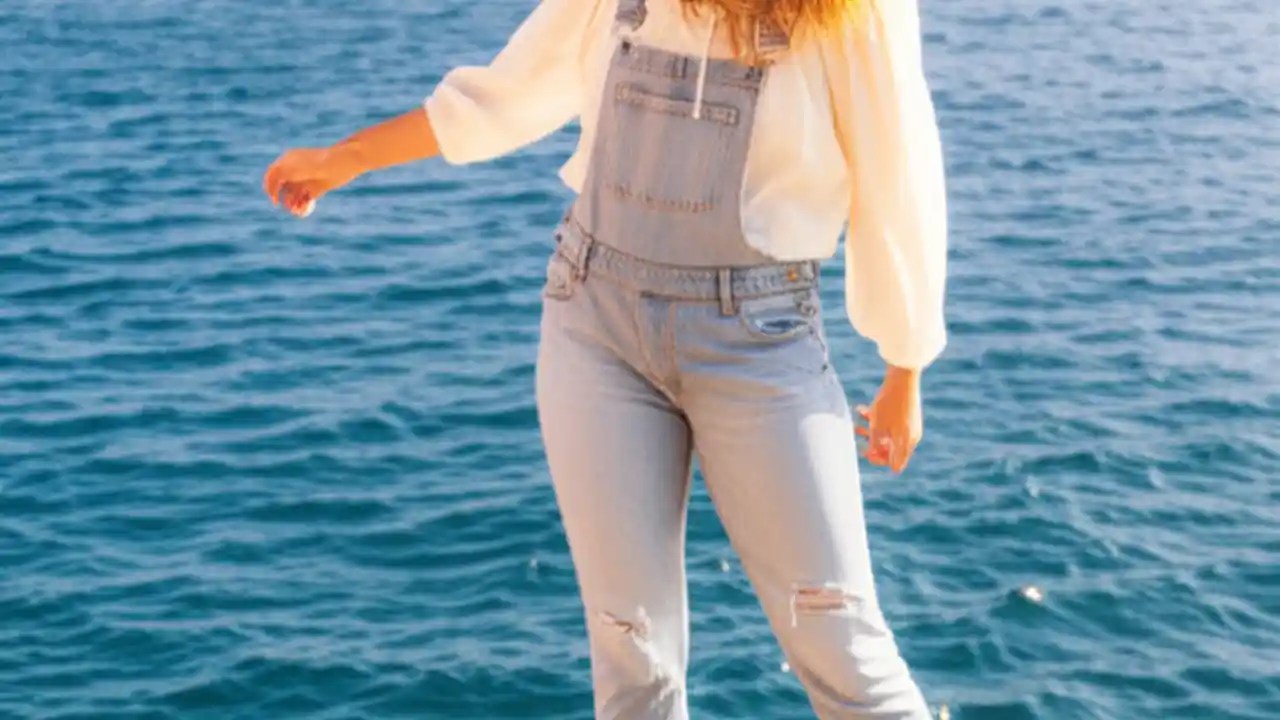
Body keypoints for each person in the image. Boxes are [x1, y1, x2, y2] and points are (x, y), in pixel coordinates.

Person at [262, 0, 947, 716]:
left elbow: (898, 166)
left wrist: (906, 362)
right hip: (596, 323)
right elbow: (503, 96)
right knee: (633, 652)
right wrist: (344, 159)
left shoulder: (855, 13)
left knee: (841, 639)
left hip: (759, 344)